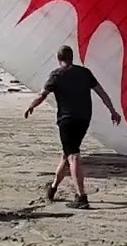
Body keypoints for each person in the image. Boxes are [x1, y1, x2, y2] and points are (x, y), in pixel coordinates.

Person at [23, 45, 121, 209]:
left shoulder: (56, 75)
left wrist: (31, 106)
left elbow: (42, 95)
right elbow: (101, 92)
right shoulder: (85, 72)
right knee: (67, 154)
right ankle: (53, 188)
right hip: (84, 119)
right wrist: (112, 110)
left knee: (73, 156)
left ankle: (82, 197)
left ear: (58, 59)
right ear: (72, 57)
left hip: (67, 120)